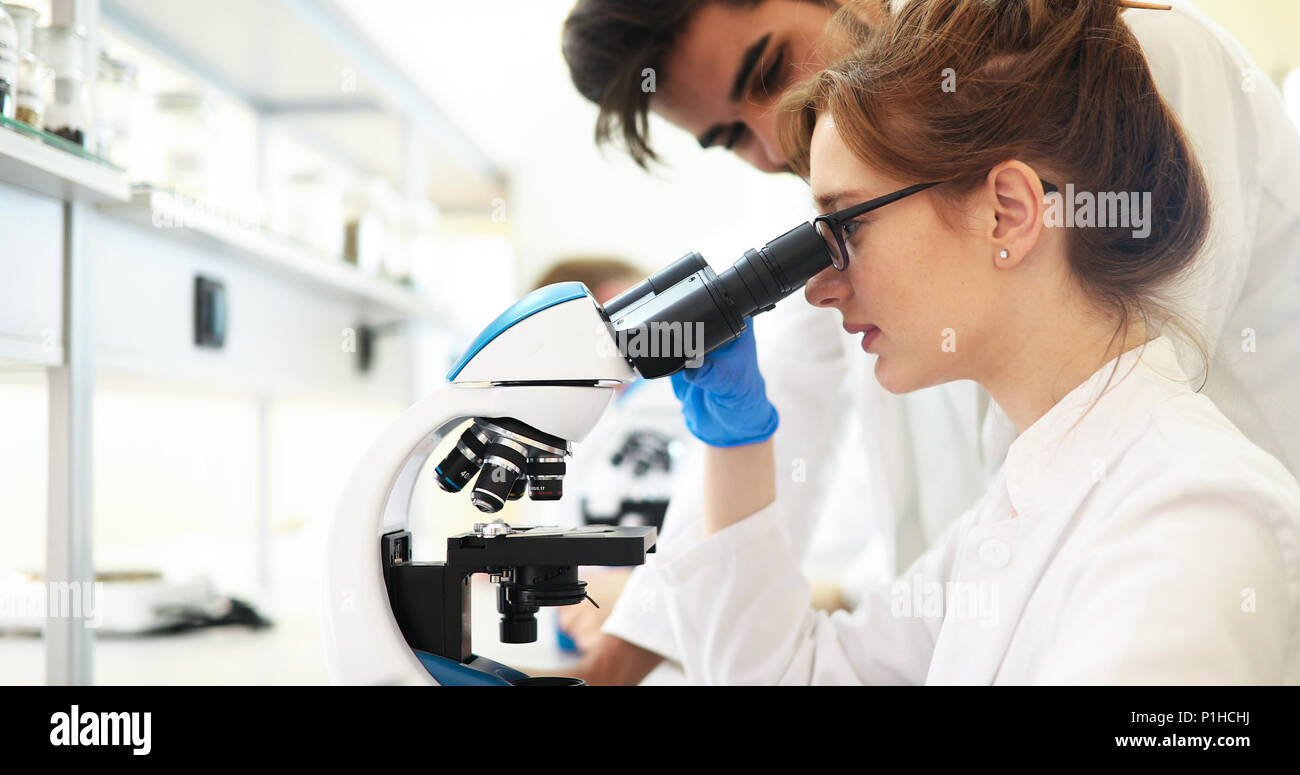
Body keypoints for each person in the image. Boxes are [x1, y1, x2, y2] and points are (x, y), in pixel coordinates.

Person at [561, 0, 1300, 684]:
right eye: (729, 136)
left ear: (1010, 210)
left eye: (845, 227)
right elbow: (791, 674)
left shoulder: (1184, 518)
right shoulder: (1021, 506)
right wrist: (734, 437)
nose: (775, 133)